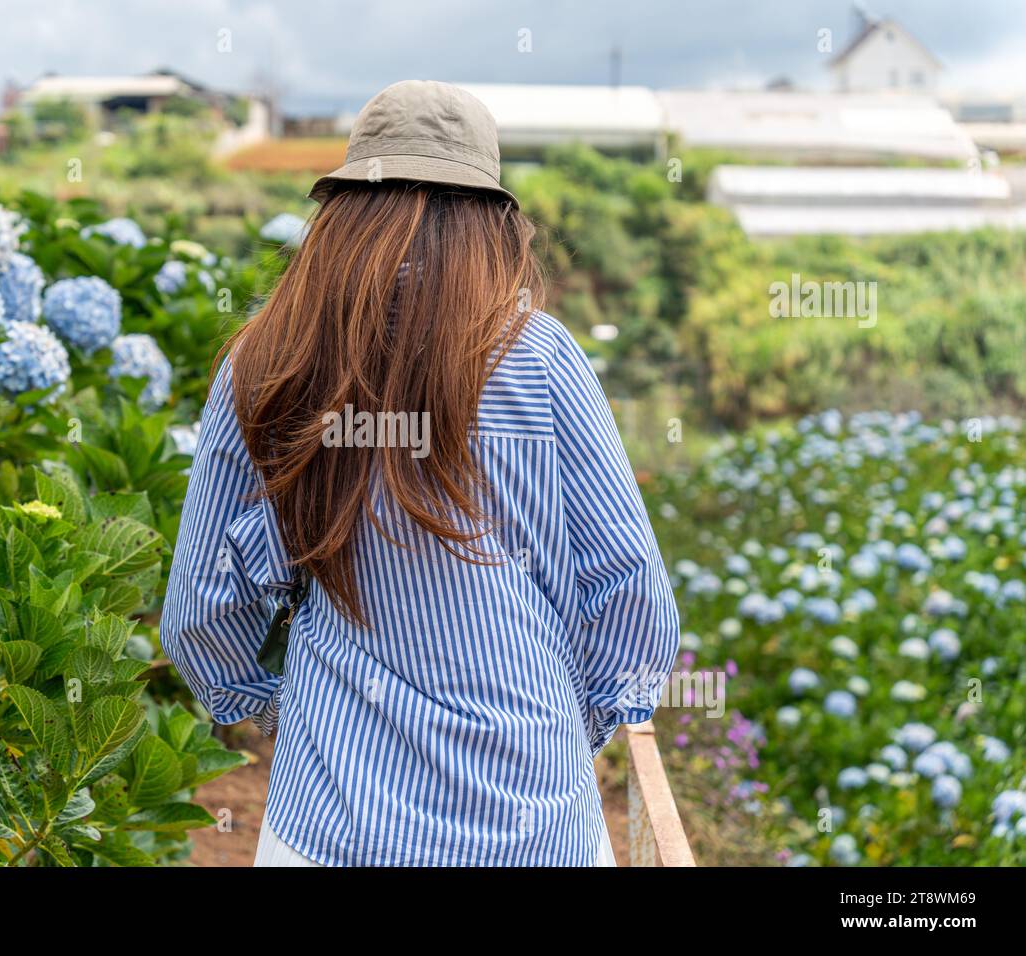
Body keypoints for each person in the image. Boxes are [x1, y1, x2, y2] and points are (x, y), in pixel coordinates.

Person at [161, 80, 679, 867]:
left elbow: (201, 616)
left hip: (332, 826)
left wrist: (278, 711)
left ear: (338, 215)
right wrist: (570, 728)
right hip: (536, 829)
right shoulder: (540, 360)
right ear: (492, 221)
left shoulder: (266, 364)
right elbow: (634, 597)